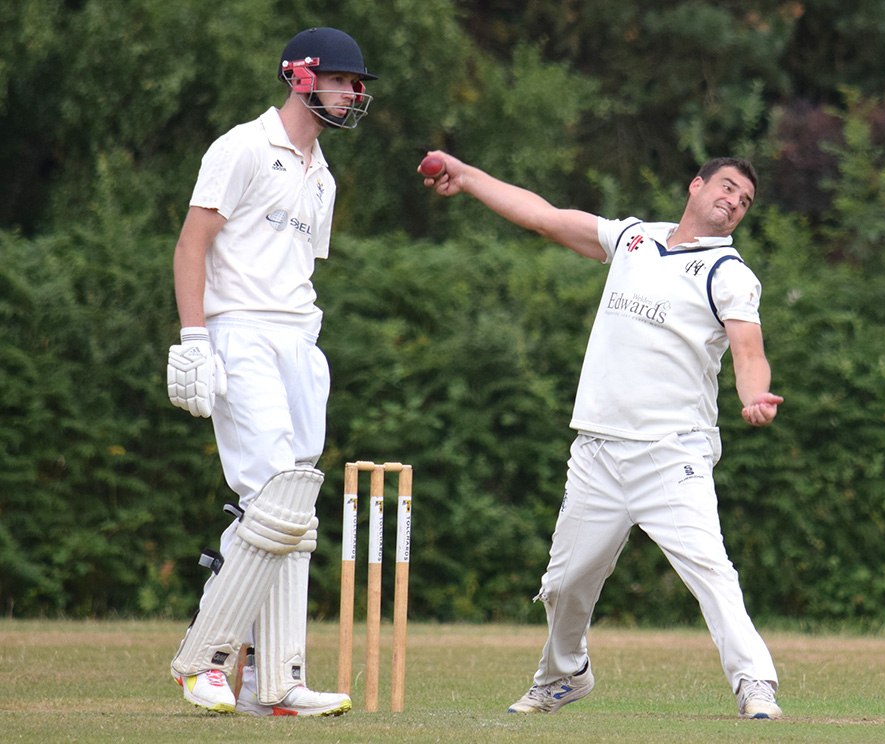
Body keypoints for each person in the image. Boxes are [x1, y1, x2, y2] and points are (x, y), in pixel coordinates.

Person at [419, 152, 785, 719]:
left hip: (672, 452)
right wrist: (467, 177)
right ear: (696, 185)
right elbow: (544, 217)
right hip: (598, 450)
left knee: (710, 570)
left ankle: (754, 683)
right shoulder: (634, 238)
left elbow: (749, 352)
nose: (735, 201)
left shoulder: (729, 273)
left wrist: (754, 396)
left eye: (745, 200)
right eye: (728, 187)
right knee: (564, 584)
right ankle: (564, 674)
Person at [165, 27, 376, 717]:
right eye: (341, 81)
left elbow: (296, 272)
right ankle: (203, 661)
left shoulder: (324, 176)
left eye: (356, 85)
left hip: (298, 340)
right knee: (268, 498)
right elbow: (192, 244)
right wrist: (195, 339)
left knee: (293, 509)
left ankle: (277, 682)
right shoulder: (243, 147)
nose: (352, 94)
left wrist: (304, 349)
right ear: (300, 77)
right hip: (240, 331)